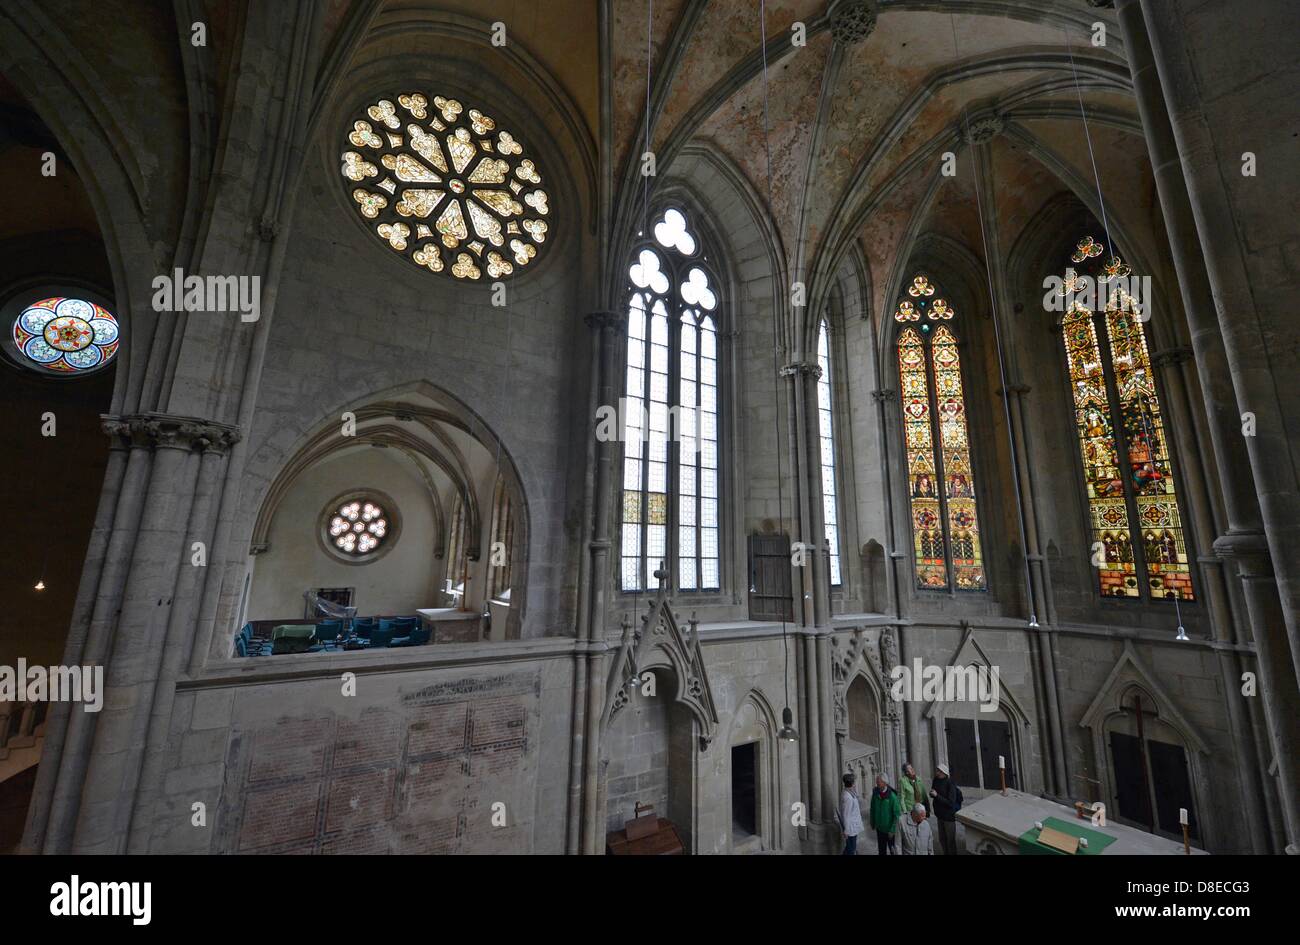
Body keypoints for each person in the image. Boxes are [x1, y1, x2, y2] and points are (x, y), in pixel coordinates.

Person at [929, 763, 963, 855]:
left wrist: (937, 796)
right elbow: (933, 792)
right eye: (937, 770)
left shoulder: (950, 783)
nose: (937, 772)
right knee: (942, 839)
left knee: (950, 840)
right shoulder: (936, 780)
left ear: (943, 773)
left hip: (949, 816)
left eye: (939, 771)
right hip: (940, 815)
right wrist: (932, 794)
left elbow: (950, 802)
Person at [869, 774, 902, 855]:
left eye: (878, 782)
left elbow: (897, 815)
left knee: (892, 850)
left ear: (884, 783)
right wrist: (872, 822)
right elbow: (872, 808)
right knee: (881, 850)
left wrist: (892, 830)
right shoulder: (875, 793)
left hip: (889, 830)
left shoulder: (892, 796)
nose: (876, 783)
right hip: (879, 828)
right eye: (876, 781)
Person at [839, 772, 863, 855]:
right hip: (850, 828)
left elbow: (856, 796)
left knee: (851, 848)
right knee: (850, 849)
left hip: (853, 826)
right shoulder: (847, 797)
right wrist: (846, 830)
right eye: (854, 782)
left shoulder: (850, 792)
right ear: (852, 783)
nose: (856, 783)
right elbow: (846, 815)